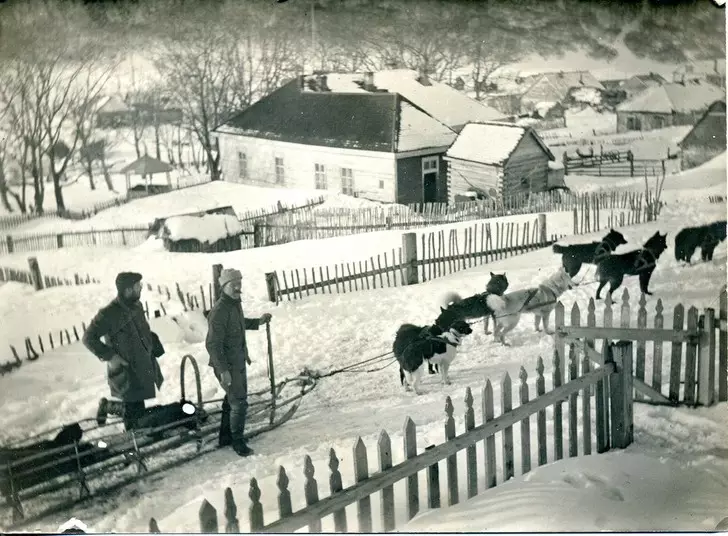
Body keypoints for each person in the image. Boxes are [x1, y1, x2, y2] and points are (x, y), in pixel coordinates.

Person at [82, 272, 165, 430]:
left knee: (137, 412)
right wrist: (111, 356)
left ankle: (109, 407)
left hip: (141, 366)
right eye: (137, 286)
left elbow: (141, 330)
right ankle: (133, 445)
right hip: (125, 370)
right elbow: (88, 338)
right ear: (127, 290)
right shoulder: (108, 313)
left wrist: (152, 343)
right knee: (134, 424)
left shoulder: (137, 306)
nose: (141, 288)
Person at [205, 268, 271, 457]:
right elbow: (212, 344)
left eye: (239, 284)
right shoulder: (219, 311)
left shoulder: (234, 304)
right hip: (227, 365)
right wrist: (223, 370)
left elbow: (239, 322)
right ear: (224, 286)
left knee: (232, 399)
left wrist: (258, 321)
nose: (238, 287)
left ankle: (225, 437)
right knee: (239, 402)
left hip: (238, 361)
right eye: (234, 284)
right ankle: (237, 442)